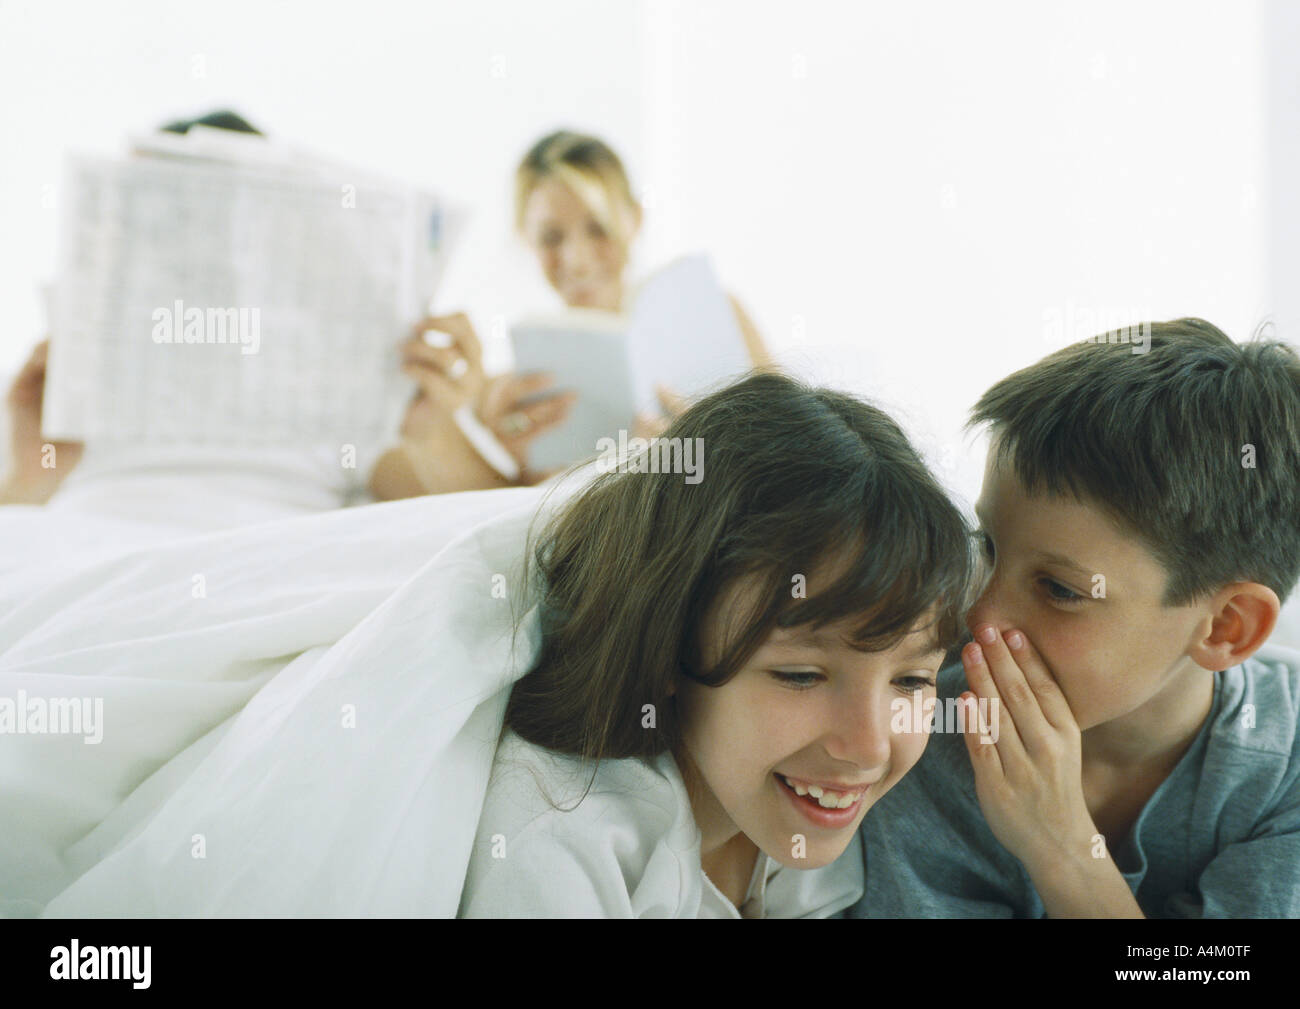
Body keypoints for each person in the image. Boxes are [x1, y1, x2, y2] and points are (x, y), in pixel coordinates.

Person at [459, 371, 976, 917]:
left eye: (912, 680)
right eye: (801, 676)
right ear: (667, 644)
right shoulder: (562, 843)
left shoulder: (807, 830)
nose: (870, 745)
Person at [851, 318, 1300, 918]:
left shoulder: (1284, 772)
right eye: (986, 545)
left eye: (1059, 589)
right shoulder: (920, 732)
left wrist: (1062, 848)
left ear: (1227, 627)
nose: (977, 615)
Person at [374, 130, 775, 499]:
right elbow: (527, 523)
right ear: (525, 239)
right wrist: (521, 466)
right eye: (551, 237)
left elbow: (791, 447)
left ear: (634, 219)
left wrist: (706, 453)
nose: (577, 260)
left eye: (598, 228)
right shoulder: (519, 393)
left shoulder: (717, 313)